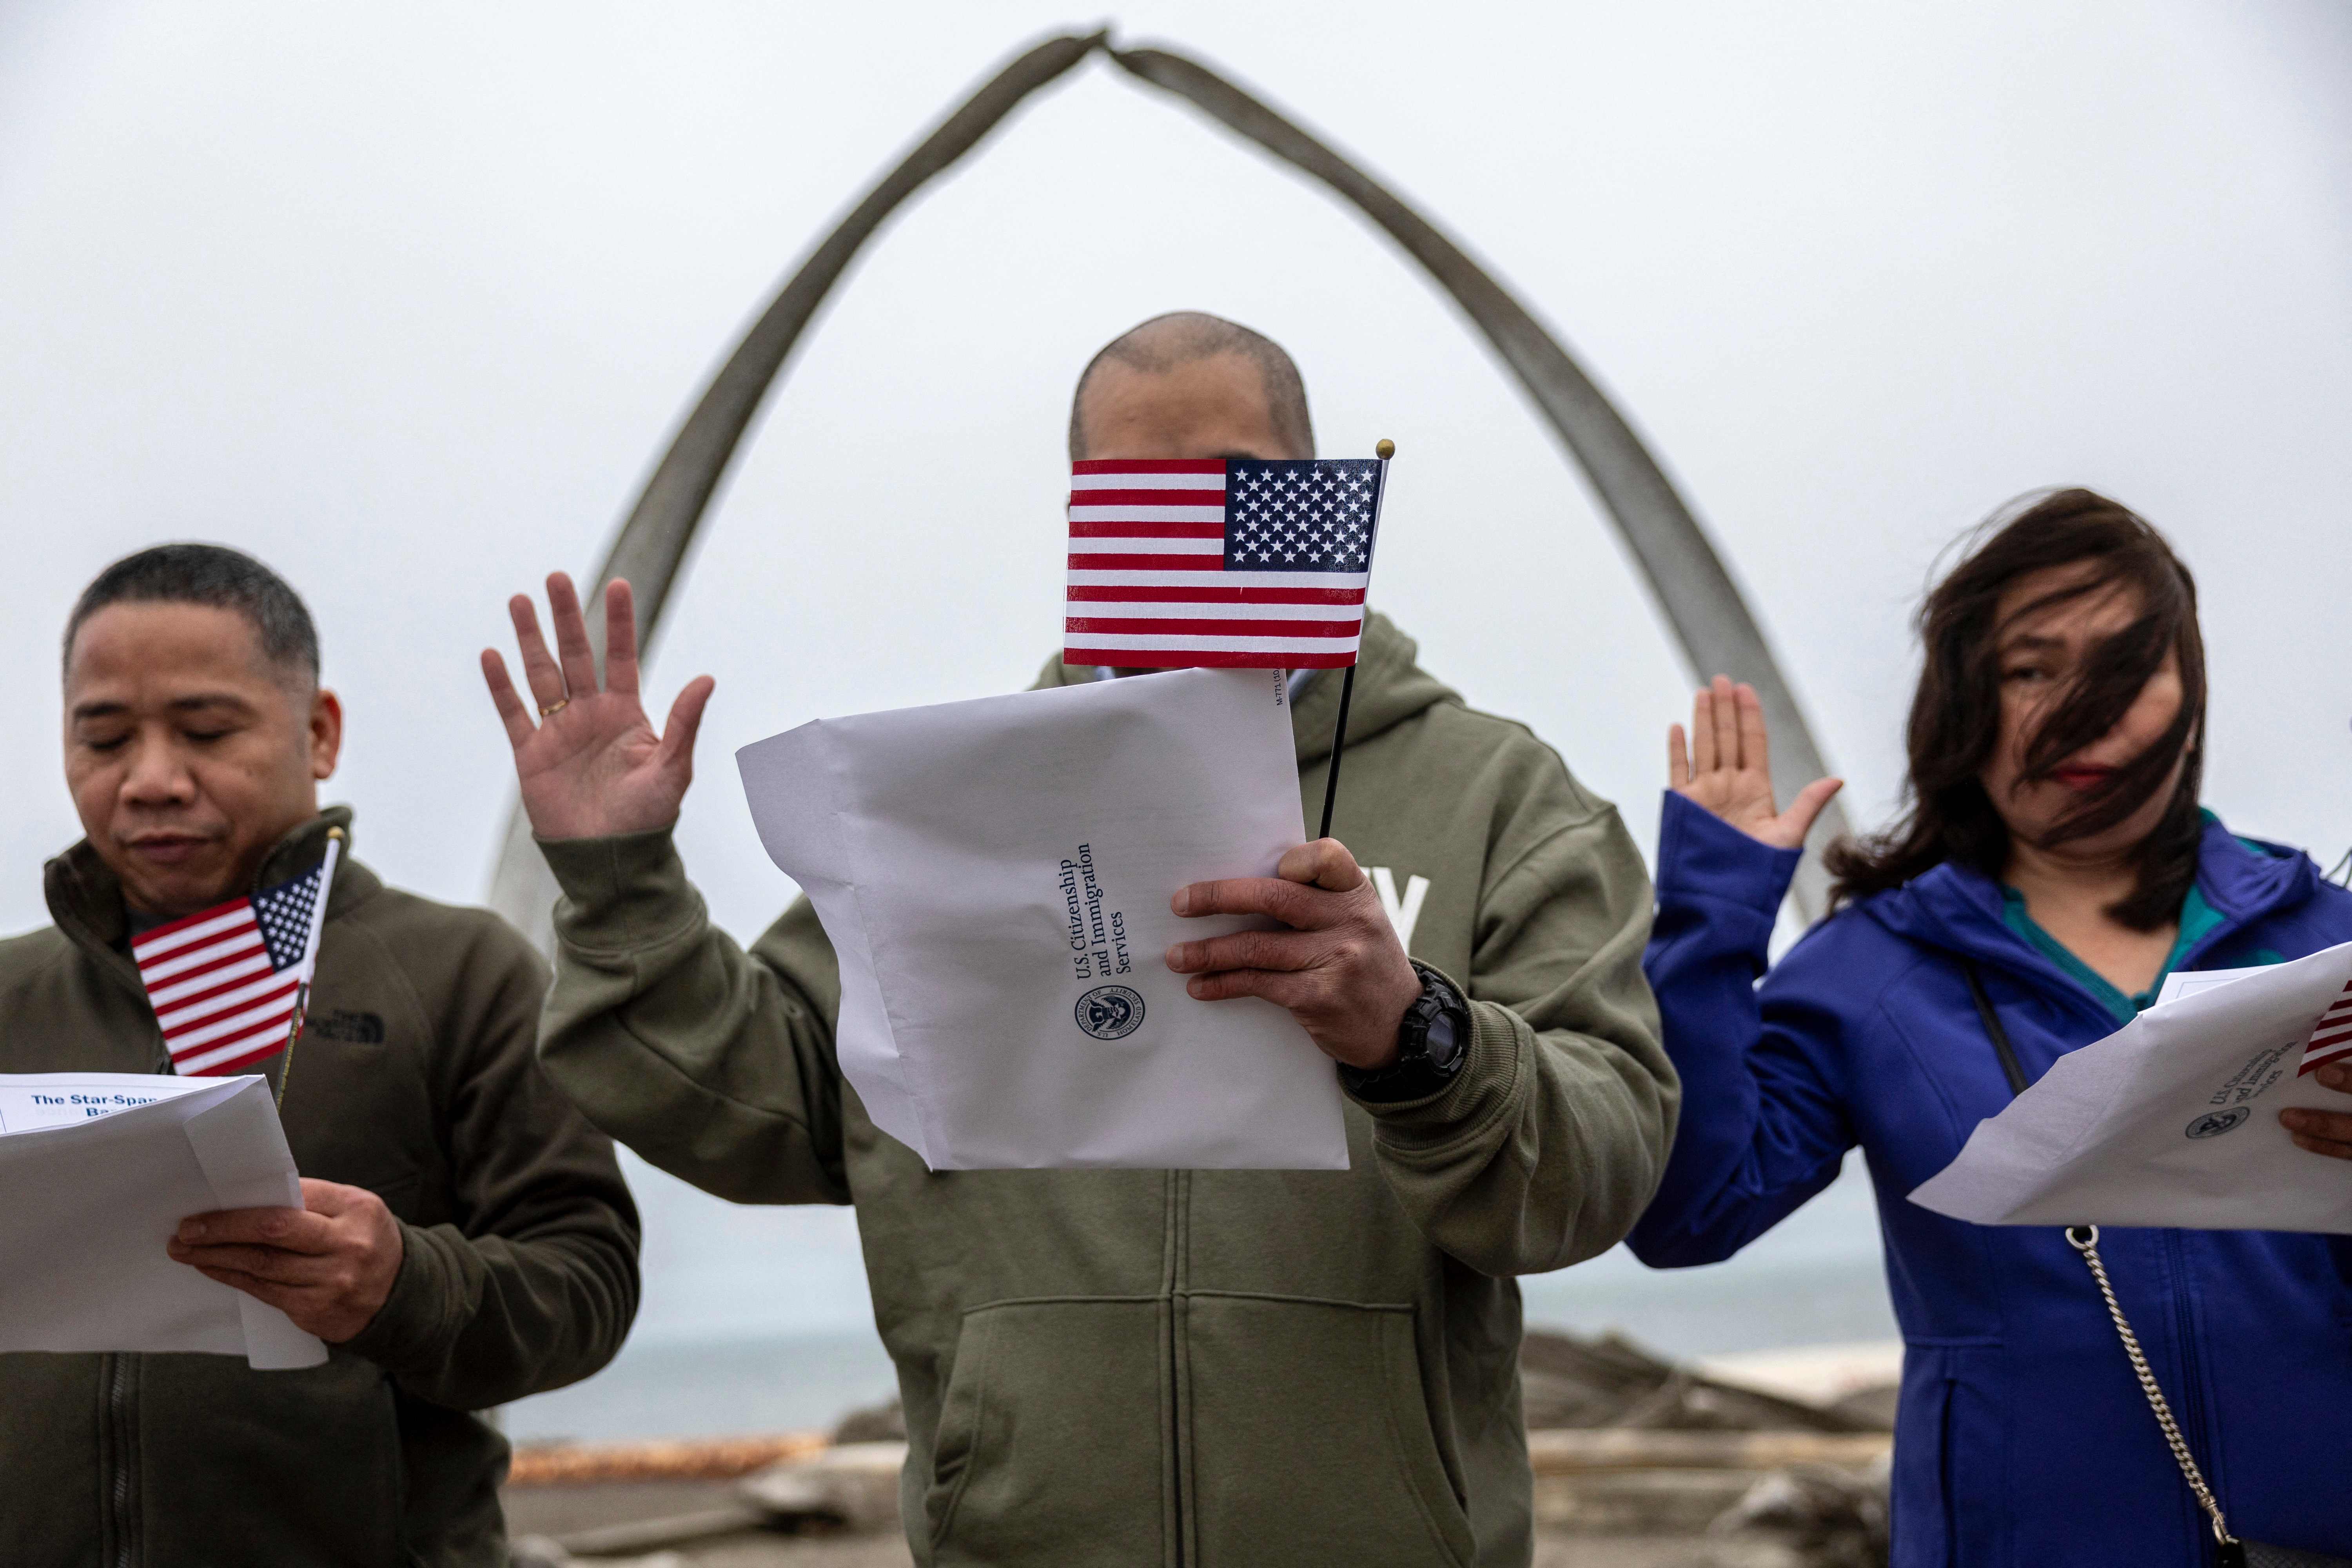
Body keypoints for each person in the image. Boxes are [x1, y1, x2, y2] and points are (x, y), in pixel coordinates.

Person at [483, 311, 1677, 1568]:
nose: (1193, 528)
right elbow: (764, 1098)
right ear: (1081, 518)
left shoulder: (1501, 798)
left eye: (1238, 487)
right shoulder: (961, 798)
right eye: (1135, 500)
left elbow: (1605, 1161)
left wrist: (1421, 1041)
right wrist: (617, 879)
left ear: (1315, 495)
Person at [1626, 490, 2352, 1564]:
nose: (2083, 710)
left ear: (2189, 697)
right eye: (2032, 668)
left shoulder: (2326, 940)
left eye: (2126, 668)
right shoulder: (1866, 973)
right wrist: (1712, 917)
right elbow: (1686, 1220)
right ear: (1964, 701)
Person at [0, 544, 641, 1567]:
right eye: (105, 738)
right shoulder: (9, 996)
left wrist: (402, 1284)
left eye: (207, 731)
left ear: (321, 731)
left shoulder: (462, 974)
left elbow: (590, 1283)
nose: (153, 780)